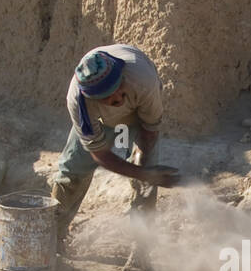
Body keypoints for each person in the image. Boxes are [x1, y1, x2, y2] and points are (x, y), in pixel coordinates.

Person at [50, 44, 180, 240]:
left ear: (122, 76)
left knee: (147, 181)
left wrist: (144, 169)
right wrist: (140, 173)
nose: (117, 98)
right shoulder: (79, 102)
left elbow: (150, 128)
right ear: (91, 97)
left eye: (118, 88)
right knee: (72, 173)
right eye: (107, 97)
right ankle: (52, 237)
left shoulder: (142, 79)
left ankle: (141, 250)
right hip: (101, 121)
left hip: (137, 115)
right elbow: (99, 154)